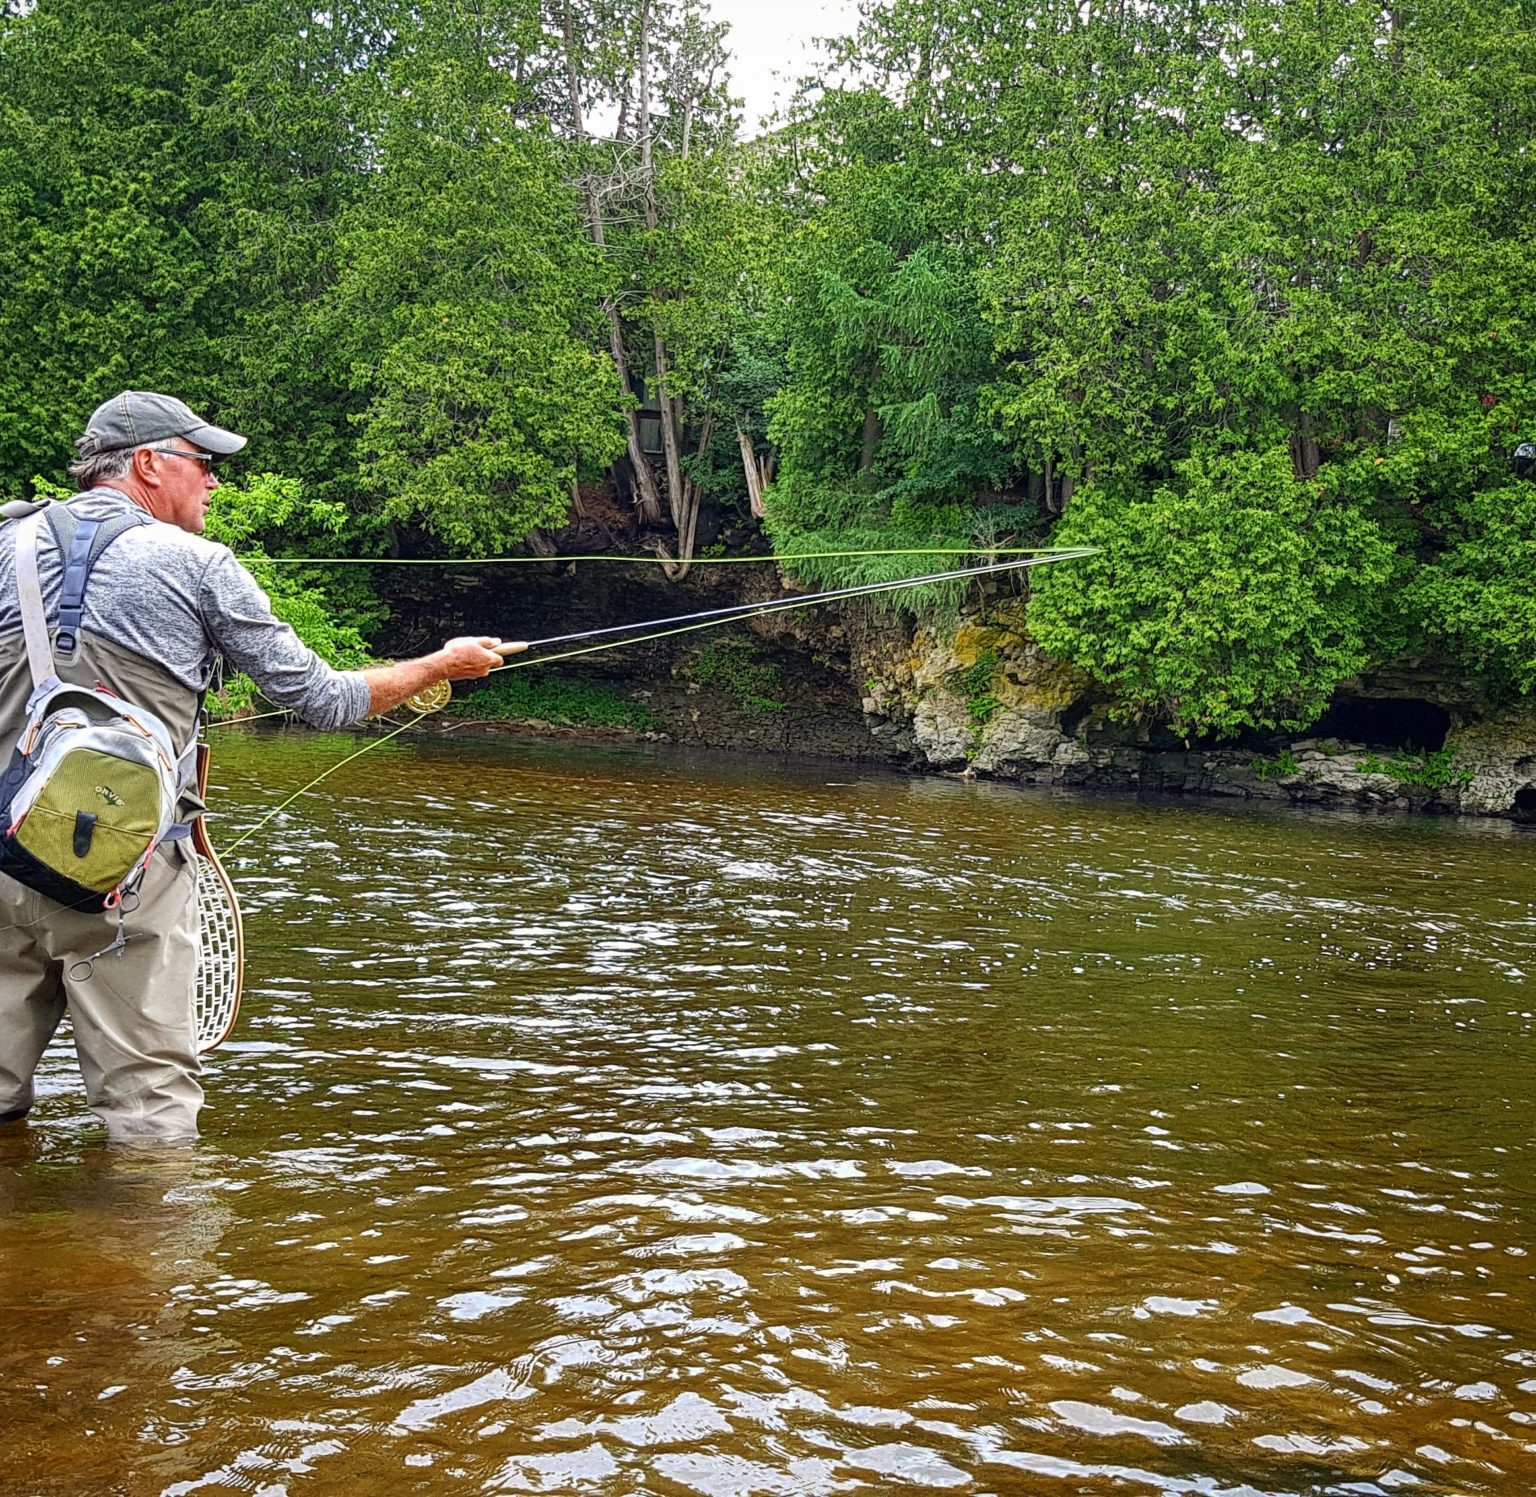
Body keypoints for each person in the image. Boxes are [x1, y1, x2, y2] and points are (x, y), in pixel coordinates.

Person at [0, 391, 504, 1143]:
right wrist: (439, 665)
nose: (214, 482)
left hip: (5, 855)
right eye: (202, 464)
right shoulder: (198, 564)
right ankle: (144, 1258)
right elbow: (326, 699)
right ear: (147, 464)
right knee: (149, 1121)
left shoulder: (6, 543)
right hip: (124, 876)